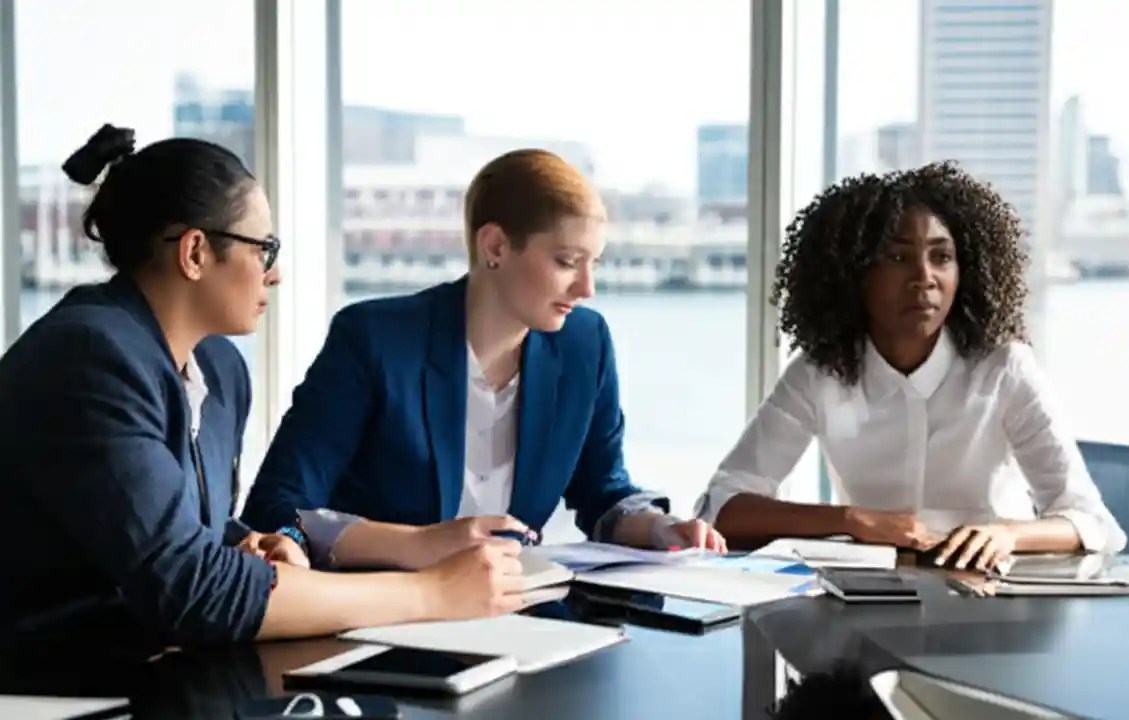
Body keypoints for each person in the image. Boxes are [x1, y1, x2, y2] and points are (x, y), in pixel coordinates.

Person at [0, 126, 524, 654]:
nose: (275, 275)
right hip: (44, 675)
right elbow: (189, 589)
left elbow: (167, 529)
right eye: (265, 250)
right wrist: (432, 593)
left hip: (146, 663)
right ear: (195, 253)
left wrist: (252, 544)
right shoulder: (88, 359)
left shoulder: (219, 368)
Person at [242, 148, 725, 565]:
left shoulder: (584, 343)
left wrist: (661, 528)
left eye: (593, 263)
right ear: (495, 246)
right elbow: (278, 507)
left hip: (515, 608)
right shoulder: (374, 340)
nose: (587, 288)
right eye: (566, 262)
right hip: (384, 608)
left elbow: (603, 492)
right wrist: (418, 544)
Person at [697, 162, 1125, 570]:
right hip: (870, 601)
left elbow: (1091, 520)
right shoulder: (818, 372)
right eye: (899, 258)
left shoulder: (1004, 368)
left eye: (941, 257)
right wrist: (852, 520)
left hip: (995, 598)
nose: (925, 276)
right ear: (854, 272)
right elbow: (722, 507)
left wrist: (1007, 534)